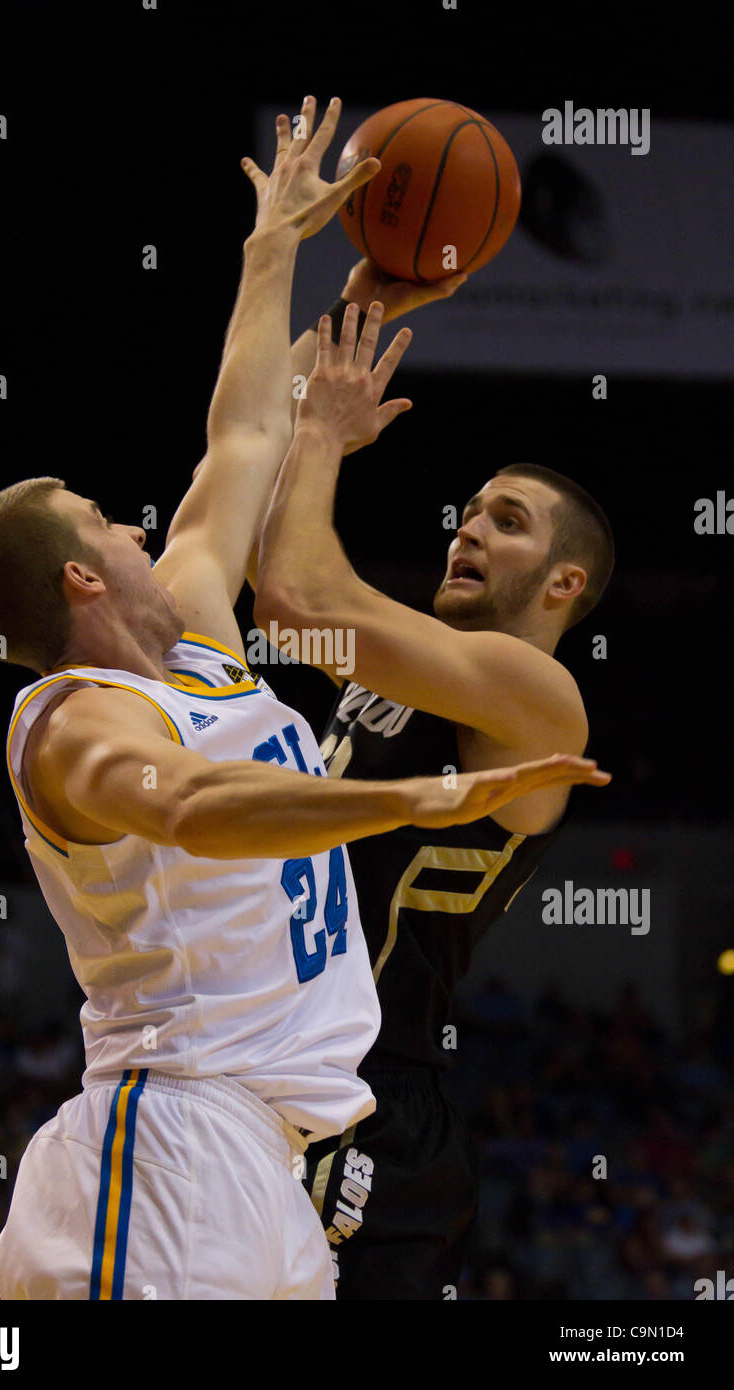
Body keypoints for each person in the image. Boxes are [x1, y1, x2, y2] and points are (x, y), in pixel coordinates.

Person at [0, 96, 608, 1301]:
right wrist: (424, 792)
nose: (140, 518)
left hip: (276, 1151)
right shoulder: (74, 721)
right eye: (104, 519)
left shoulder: (199, 640)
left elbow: (241, 432)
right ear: (83, 576)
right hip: (170, 1137)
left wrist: (283, 258)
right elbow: (193, 803)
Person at [254, 297, 615, 1298]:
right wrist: (352, 302)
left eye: (507, 523)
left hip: (377, 1103)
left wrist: (319, 432)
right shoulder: (393, 679)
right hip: (288, 1078)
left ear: (561, 582)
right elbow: (268, 581)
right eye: (467, 510)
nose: (467, 528)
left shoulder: (535, 695)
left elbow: (294, 595)